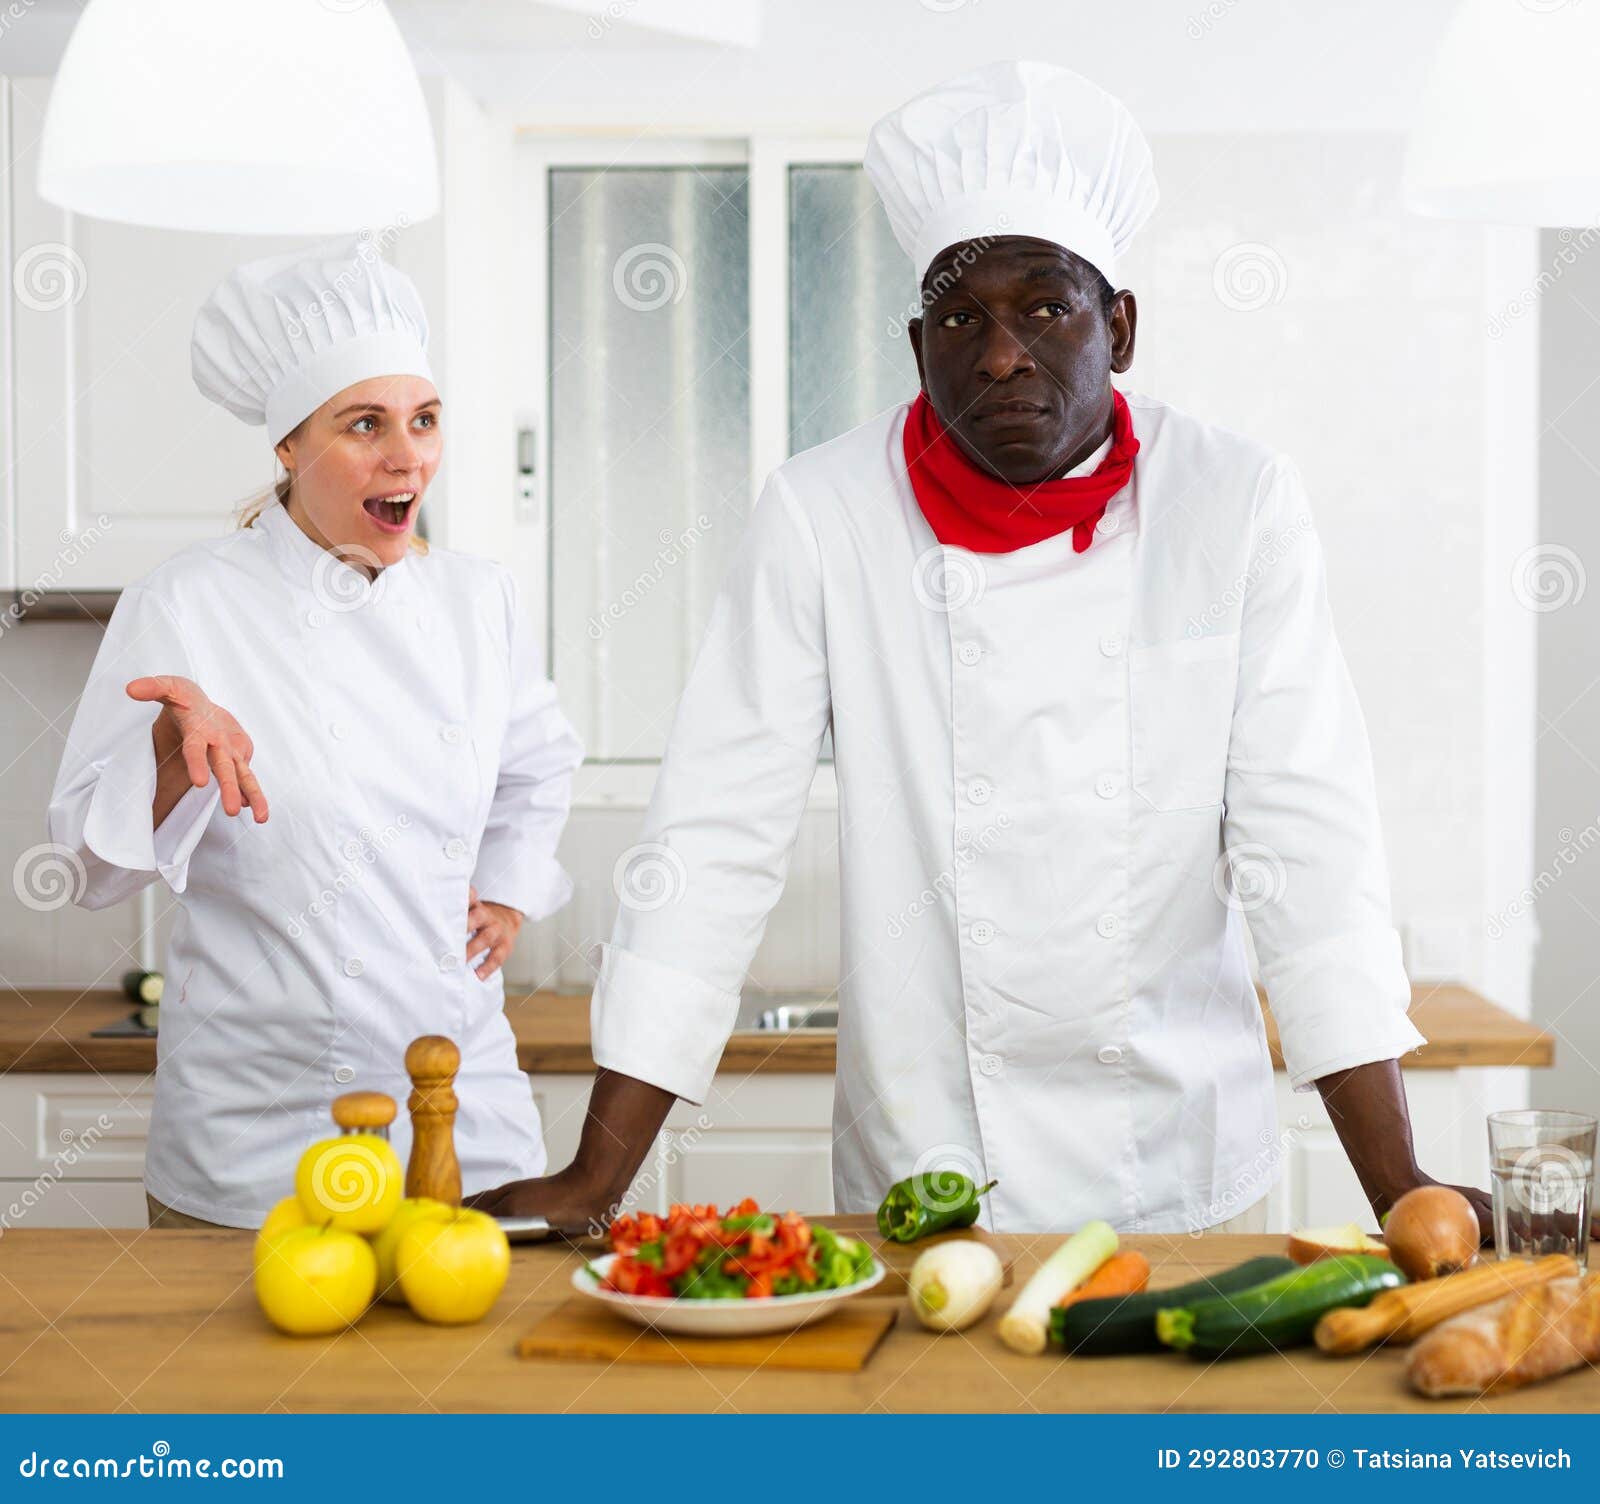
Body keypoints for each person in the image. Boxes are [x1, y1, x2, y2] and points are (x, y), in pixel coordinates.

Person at [473, 62, 1484, 1236]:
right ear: (918, 346)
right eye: (962, 318)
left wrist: (1397, 1181)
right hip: (928, 1152)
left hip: (1171, 1163)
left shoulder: (1234, 501)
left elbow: (1306, 836)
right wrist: (600, 1177)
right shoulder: (822, 512)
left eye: (1047, 307)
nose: (1002, 353)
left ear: (1122, 326)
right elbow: (711, 837)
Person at [48, 237, 583, 1229]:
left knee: (465, 1383)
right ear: (288, 446)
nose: (407, 454)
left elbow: (538, 766)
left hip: (461, 1125)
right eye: (364, 424)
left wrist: (507, 887)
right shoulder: (190, 602)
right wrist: (165, 764)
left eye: (423, 420)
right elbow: (83, 862)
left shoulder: (477, 602)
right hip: (256, 1140)